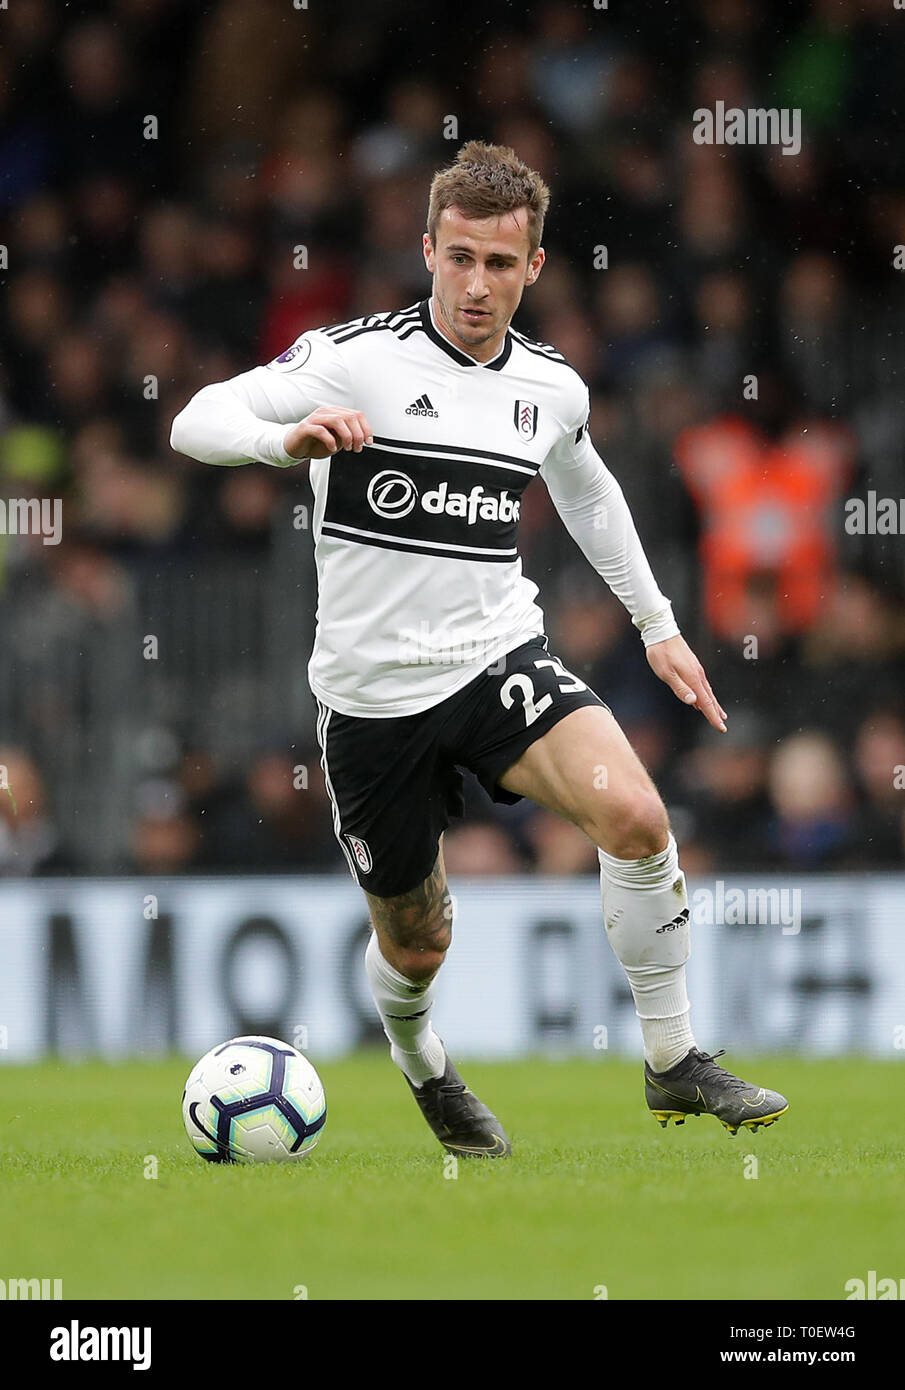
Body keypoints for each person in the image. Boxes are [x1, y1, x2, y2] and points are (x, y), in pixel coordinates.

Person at [170, 141, 787, 1153]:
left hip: (496, 657)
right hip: (371, 700)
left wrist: (659, 626)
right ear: (425, 251)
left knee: (635, 815)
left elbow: (588, 494)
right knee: (418, 944)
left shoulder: (549, 387)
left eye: (499, 264)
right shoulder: (356, 358)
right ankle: (423, 1066)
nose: (474, 284)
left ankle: (672, 1061)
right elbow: (199, 417)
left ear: (533, 267)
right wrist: (285, 440)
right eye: (457, 258)